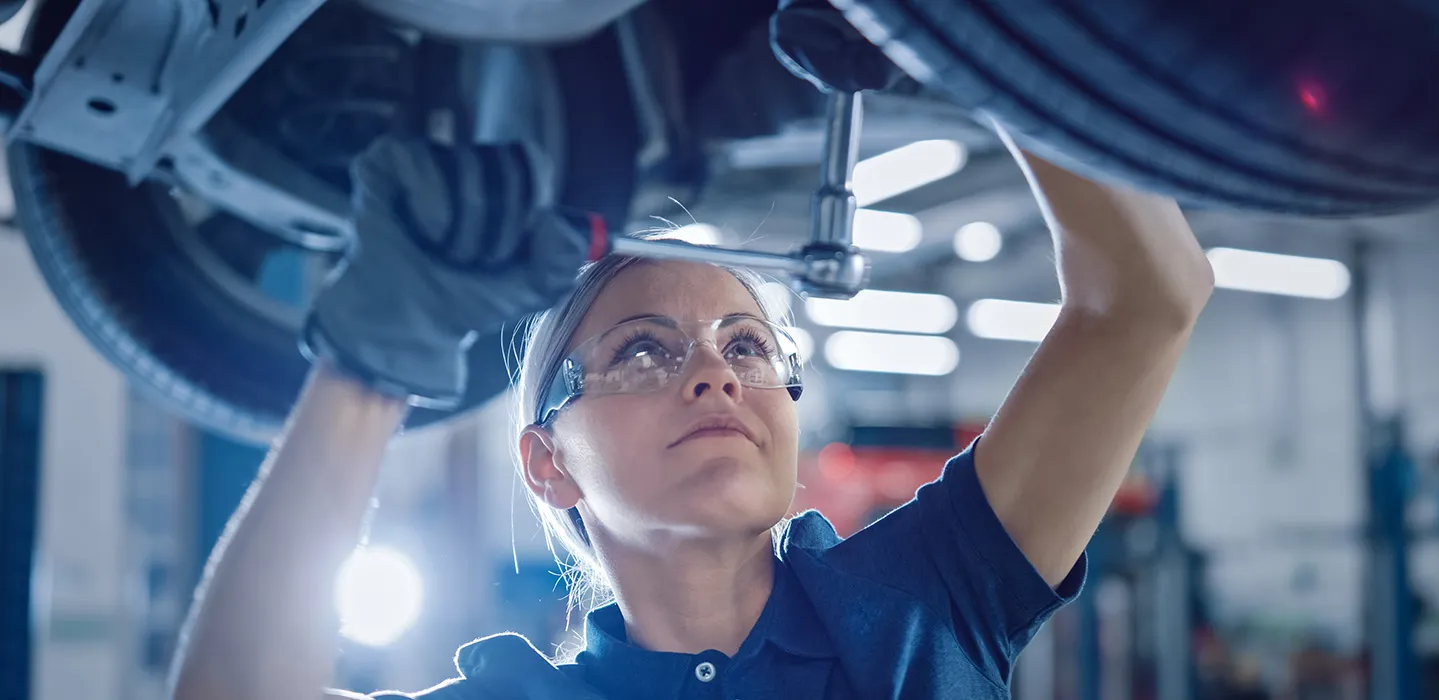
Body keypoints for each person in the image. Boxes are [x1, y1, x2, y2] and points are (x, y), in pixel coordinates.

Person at [167, 22, 1213, 700]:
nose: (714, 374)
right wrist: (366, 372)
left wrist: (974, 41)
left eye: (747, 344)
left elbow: (1147, 297)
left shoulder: (920, 608)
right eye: (640, 350)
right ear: (548, 462)